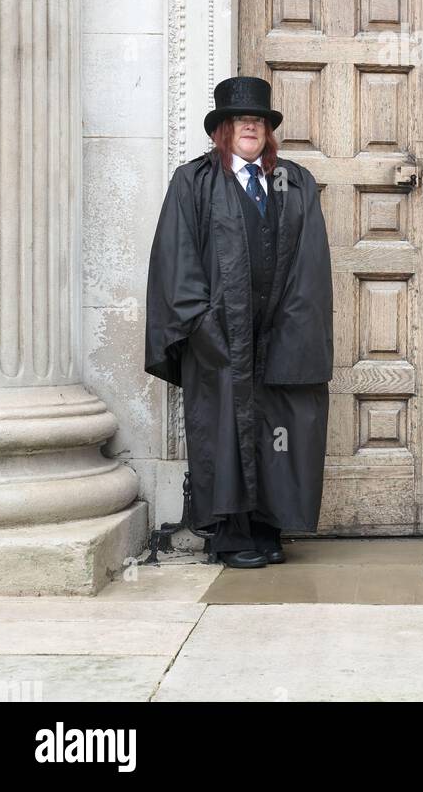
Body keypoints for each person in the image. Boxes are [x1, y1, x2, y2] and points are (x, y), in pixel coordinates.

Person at [144, 76, 334, 568]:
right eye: (239, 120)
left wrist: (292, 329)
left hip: (278, 330)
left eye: (259, 121)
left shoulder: (295, 181)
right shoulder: (194, 181)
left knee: (278, 427)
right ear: (221, 132)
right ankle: (230, 535)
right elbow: (176, 256)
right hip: (220, 335)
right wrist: (203, 325)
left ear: (268, 132)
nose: (251, 125)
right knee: (226, 428)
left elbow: (310, 263)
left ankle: (269, 526)